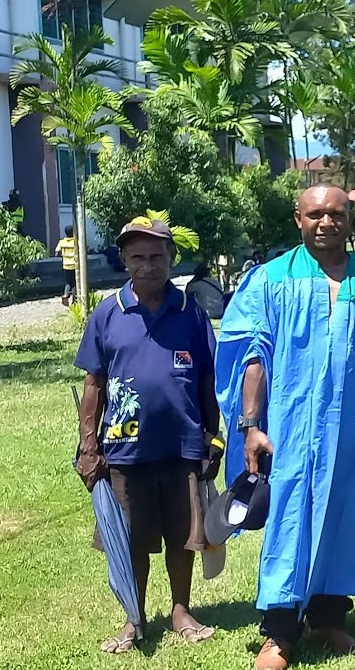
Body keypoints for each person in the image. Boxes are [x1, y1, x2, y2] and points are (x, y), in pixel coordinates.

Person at [215, 184, 355, 670]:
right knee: (288, 519)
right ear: (298, 219)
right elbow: (254, 355)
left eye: (337, 214)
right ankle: (279, 633)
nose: (327, 223)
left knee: (347, 515)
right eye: (316, 214)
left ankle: (328, 619)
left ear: (351, 220)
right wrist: (251, 426)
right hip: (290, 425)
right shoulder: (272, 280)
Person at [74, 217, 221, 655]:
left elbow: (208, 381)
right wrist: (88, 445)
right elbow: (94, 384)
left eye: (157, 256)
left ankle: (180, 611)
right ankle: (132, 617)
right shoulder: (108, 313)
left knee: (183, 534)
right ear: (124, 259)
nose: (148, 264)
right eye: (138, 256)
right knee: (130, 536)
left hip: (182, 444)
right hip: (124, 448)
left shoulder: (190, 312)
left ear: (171, 259)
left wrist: (213, 438)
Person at [57, 224, 78, 307]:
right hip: (75, 264)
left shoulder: (62, 242)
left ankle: (65, 294)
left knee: (68, 282)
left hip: (66, 265)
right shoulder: (76, 241)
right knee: (75, 283)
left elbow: (56, 251)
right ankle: (74, 300)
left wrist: (63, 255)